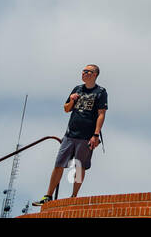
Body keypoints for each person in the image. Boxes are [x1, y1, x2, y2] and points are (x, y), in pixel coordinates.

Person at [35, 64, 106, 205]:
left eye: (87, 71)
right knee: (59, 164)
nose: (84, 73)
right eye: (83, 71)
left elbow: (101, 114)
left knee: (80, 167)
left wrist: (96, 135)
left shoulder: (101, 92)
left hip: (86, 136)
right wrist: (72, 100)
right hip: (70, 134)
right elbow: (66, 109)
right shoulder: (77, 89)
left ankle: (73, 197)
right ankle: (48, 196)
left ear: (94, 74)